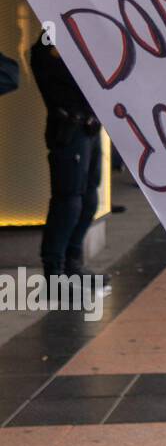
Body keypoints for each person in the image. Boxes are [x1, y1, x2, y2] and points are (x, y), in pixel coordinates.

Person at [29, 41, 102, 280]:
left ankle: (72, 263)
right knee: (69, 202)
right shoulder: (49, 45)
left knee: (90, 198)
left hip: (89, 128)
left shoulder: (81, 38)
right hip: (70, 129)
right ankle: (55, 271)